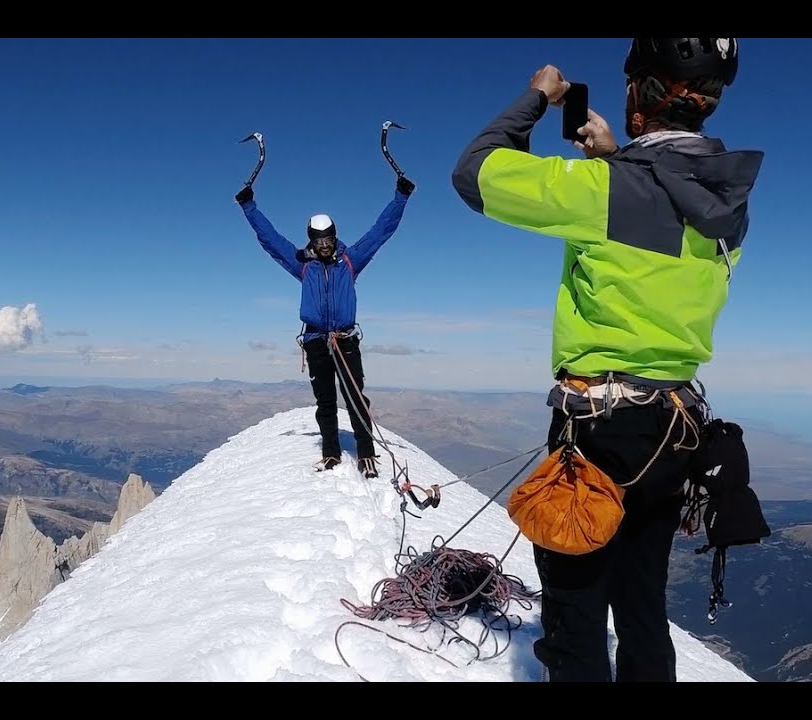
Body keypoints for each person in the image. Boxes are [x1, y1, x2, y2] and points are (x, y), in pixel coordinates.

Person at [450, 38, 764, 682]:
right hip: (675, 428)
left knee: (575, 610)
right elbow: (662, 215)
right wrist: (620, 157)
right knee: (642, 603)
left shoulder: (604, 191)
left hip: (599, 430)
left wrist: (540, 95)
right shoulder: (728, 206)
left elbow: (475, 172)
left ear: (637, 98)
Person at [235, 175, 415, 478]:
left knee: (355, 395)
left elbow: (381, 231)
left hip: (345, 340)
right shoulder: (303, 264)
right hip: (316, 341)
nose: (323, 246)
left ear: (334, 237)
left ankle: (366, 453)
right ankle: (331, 452)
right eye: (318, 241)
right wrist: (249, 206)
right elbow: (271, 241)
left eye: (328, 240)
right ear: (310, 241)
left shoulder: (350, 260)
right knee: (326, 400)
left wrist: (401, 197)